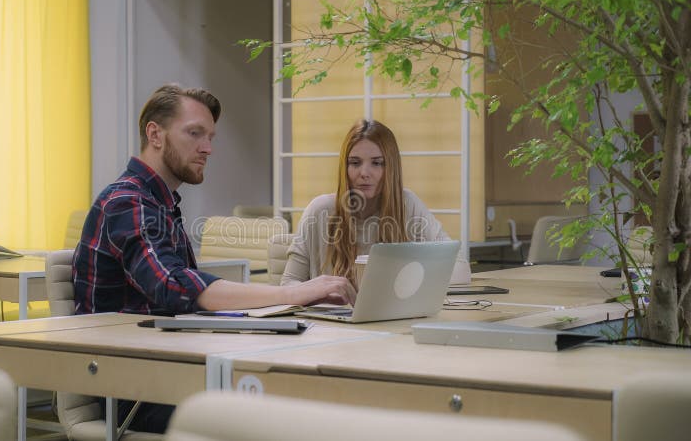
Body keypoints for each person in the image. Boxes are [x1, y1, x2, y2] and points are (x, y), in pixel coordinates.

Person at [72, 84, 356, 433]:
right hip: (135, 390)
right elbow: (174, 286)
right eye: (195, 133)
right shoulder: (127, 202)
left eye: (210, 137)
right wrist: (293, 293)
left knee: (306, 399)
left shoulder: (159, 203)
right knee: (293, 413)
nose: (207, 148)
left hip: (167, 372)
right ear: (155, 134)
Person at [281, 118, 472, 287]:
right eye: (355, 163)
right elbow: (289, 283)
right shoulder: (320, 210)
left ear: (391, 168)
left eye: (377, 163)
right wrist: (319, 289)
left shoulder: (407, 205)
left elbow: (460, 269)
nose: (364, 173)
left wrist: (404, 280)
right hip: (331, 317)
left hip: (392, 316)